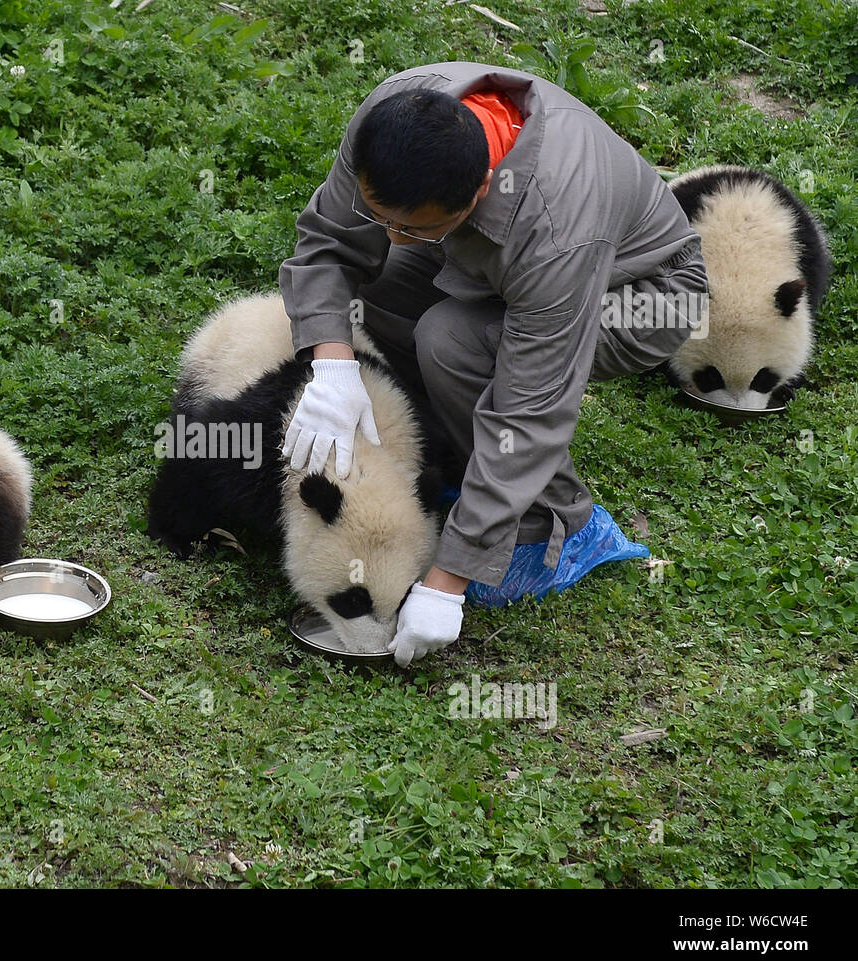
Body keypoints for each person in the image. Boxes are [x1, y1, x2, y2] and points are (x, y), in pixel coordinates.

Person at [278, 62, 708, 666]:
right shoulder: (391, 120)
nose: (393, 236)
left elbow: (532, 408)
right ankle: (456, 458)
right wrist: (332, 365)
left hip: (640, 295)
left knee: (452, 340)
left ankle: (545, 526)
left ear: (480, 189)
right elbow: (331, 242)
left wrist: (450, 578)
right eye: (383, 218)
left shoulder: (557, 227)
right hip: (500, 259)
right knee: (376, 288)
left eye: (413, 225)